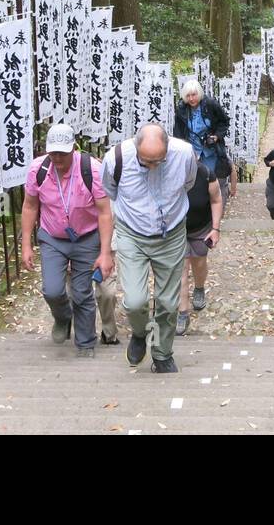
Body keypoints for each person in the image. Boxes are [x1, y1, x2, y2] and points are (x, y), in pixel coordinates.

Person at [102, 123, 198, 373]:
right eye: (146, 162)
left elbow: (188, 184)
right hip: (132, 233)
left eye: (159, 161)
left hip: (171, 232)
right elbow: (110, 192)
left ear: (168, 149)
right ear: (136, 149)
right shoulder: (116, 158)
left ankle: (162, 353)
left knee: (167, 301)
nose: (153, 166)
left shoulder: (185, 154)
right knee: (135, 301)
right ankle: (140, 331)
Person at [20, 123, 115, 358]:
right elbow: (30, 206)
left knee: (82, 292)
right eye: (53, 153)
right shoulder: (38, 170)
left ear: (73, 148)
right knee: (52, 290)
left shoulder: (91, 170)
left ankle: (85, 343)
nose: (58, 158)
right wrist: (26, 245)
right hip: (53, 237)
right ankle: (63, 317)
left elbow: (105, 212)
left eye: (63, 153)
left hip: (87, 237)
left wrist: (105, 252)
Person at [177, 158, 223, 335]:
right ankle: (183, 312)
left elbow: (216, 200)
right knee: (181, 270)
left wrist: (215, 228)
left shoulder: (205, 174)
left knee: (199, 263)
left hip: (201, 227)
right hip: (177, 229)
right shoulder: (169, 172)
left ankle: (199, 287)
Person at [174, 79, 236, 206]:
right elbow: (178, 132)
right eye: (188, 96)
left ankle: (215, 209)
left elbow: (224, 122)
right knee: (195, 182)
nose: (191, 99)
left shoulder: (210, 104)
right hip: (192, 150)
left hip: (211, 150)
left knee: (213, 180)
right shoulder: (181, 109)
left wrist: (216, 136)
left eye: (194, 95)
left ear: (199, 94)